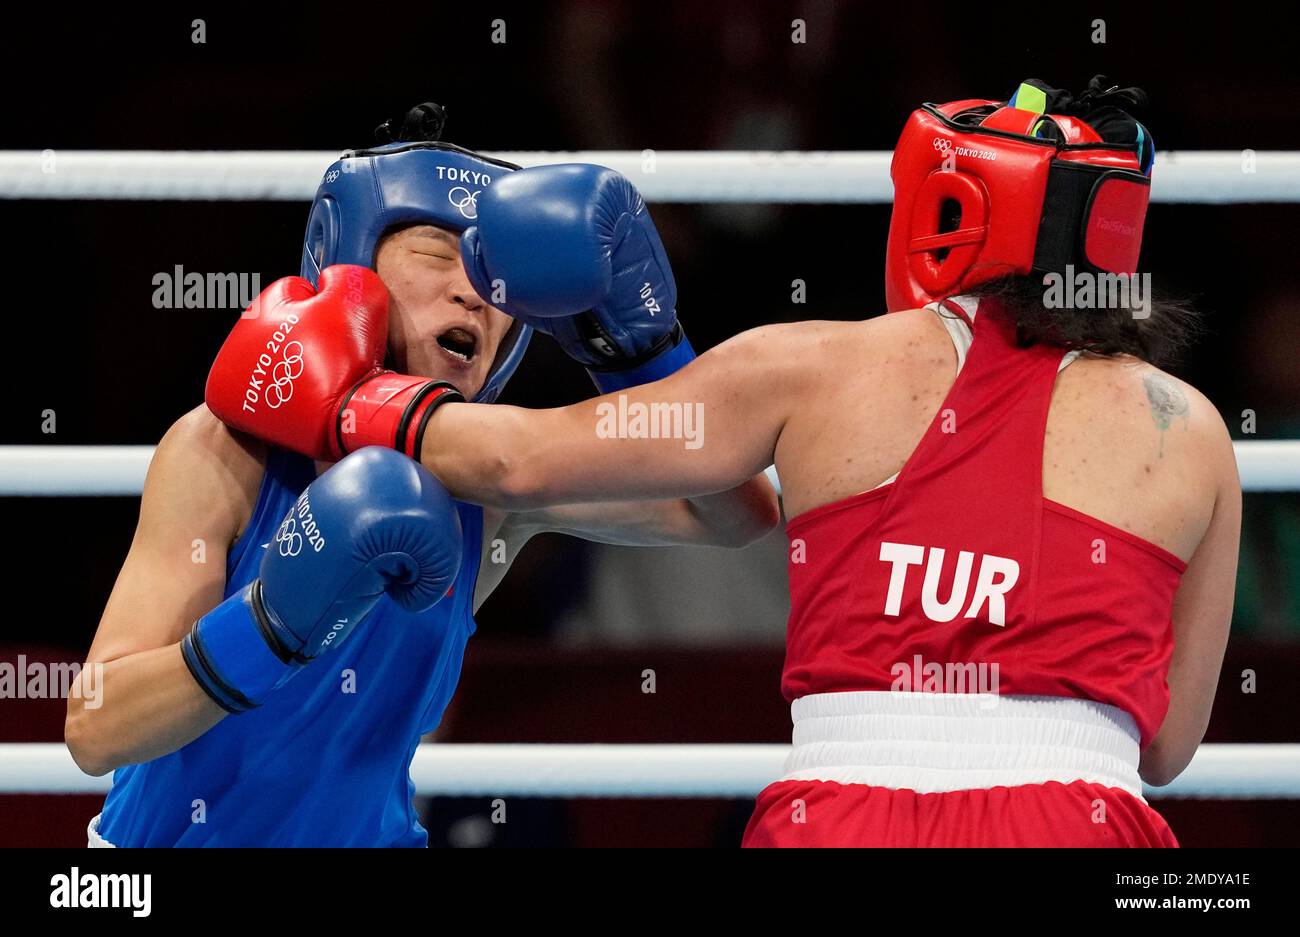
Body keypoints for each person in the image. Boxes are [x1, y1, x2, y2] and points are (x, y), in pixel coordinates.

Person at [370, 78, 1236, 847]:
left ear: (951, 209)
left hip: (844, 814)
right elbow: (1165, 747)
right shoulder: (1193, 433)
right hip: (1081, 819)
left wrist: (343, 396)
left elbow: (514, 462)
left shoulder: (814, 366)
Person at [65, 104, 778, 847]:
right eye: (437, 253)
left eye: (494, 276)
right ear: (349, 259)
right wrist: (270, 626)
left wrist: (635, 348)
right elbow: (95, 728)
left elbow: (734, 512)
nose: (473, 291)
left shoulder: (495, 484)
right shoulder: (228, 451)